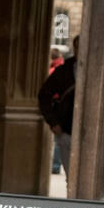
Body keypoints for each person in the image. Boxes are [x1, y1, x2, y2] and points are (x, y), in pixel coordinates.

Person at [39, 34, 78, 182]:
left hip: (93, 135)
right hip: (66, 130)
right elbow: (44, 95)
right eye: (78, 47)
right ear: (74, 49)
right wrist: (53, 121)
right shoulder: (64, 71)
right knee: (71, 179)